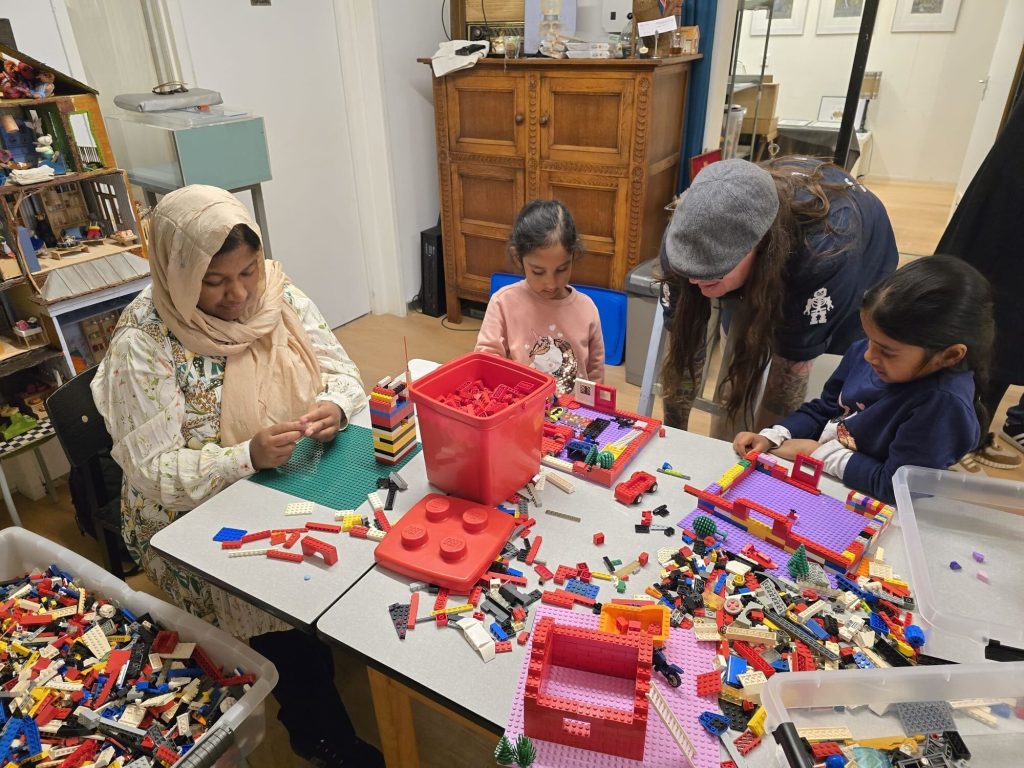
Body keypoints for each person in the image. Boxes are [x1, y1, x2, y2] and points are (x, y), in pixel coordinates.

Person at [92, 185, 382, 767]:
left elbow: (342, 372)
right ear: (176, 272)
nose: (241, 293)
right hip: (187, 516)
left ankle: (326, 645)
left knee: (369, 538)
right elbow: (152, 473)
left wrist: (337, 406)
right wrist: (244, 457)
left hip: (291, 474)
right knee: (277, 601)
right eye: (215, 280)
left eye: (247, 271)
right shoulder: (143, 344)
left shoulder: (278, 294)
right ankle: (318, 731)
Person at [659, 156, 898, 437]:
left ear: (758, 245)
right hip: (761, 266)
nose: (696, 280)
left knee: (813, 375)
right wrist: (674, 437)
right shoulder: (682, 239)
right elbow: (685, 345)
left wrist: (768, 446)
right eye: (691, 270)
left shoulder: (825, 253)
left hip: (851, 261)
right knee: (736, 369)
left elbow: (787, 379)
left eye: (714, 270)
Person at [733, 256, 993, 504]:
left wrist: (815, 453)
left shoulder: (942, 405)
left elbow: (896, 486)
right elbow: (826, 410)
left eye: (886, 351)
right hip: (834, 480)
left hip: (872, 502)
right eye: (869, 339)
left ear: (949, 355)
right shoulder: (869, 353)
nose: (869, 355)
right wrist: (775, 436)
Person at [937, 97, 1024, 471]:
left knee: (1007, 339)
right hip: (1008, 232)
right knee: (993, 331)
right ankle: (956, 442)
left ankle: (973, 437)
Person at [475, 199, 604, 395]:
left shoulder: (587, 309)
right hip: (521, 410)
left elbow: (595, 374)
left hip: (575, 417)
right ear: (518, 258)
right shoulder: (503, 303)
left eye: (562, 269)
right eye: (538, 271)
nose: (551, 283)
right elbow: (486, 361)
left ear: (573, 256)